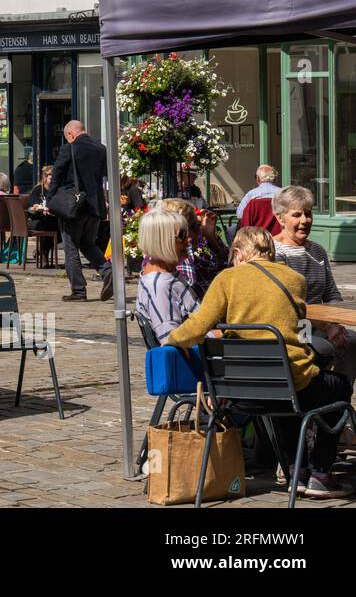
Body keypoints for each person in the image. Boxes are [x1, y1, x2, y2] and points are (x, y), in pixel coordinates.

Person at [166, 226, 355, 499]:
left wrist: (172, 339)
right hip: (289, 385)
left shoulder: (226, 279)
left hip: (238, 391)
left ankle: (295, 471)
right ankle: (320, 474)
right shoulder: (294, 279)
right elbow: (298, 318)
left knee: (285, 391)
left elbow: (198, 326)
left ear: (239, 253)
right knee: (336, 387)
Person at [271, 185, 355, 381]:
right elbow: (288, 305)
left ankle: (338, 397)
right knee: (320, 348)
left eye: (308, 214)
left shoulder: (317, 251)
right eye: (297, 214)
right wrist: (328, 327)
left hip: (320, 326)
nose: (304, 221)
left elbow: (332, 294)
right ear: (279, 218)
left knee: (352, 341)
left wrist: (335, 325)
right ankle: (313, 398)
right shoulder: (273, 252)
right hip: (293, 329)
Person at [49, 119, 113, 302]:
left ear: (70, 134)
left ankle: (78, 290)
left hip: (74, 206)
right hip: (94, 206)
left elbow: (57, 174)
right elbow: (104, 175)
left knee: (71, 248)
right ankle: (107, 272)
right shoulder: (101, 149)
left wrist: (51, 199)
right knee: (88, 243)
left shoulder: (69, 148)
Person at [135, 209, 199, 344]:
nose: (189, 239)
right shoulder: (159, 286)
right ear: (163, 240)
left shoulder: (168, 273)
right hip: (200, 358)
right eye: (182, 235)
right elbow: (171, 340)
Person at [160, 197, 227, 299]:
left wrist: (211, 238)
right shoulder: (178, 253)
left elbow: (225, 267)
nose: (199, 230)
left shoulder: (198, 245)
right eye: (196, 226)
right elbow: (190, 283)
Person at [26, 165, 58, 233]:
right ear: (45, 178)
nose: (53, 181)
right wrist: (35, 206)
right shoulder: (38, 189)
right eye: (51, 179)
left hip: (53, 219)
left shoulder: (58, 190)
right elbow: (30, 205)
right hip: (39, 219)